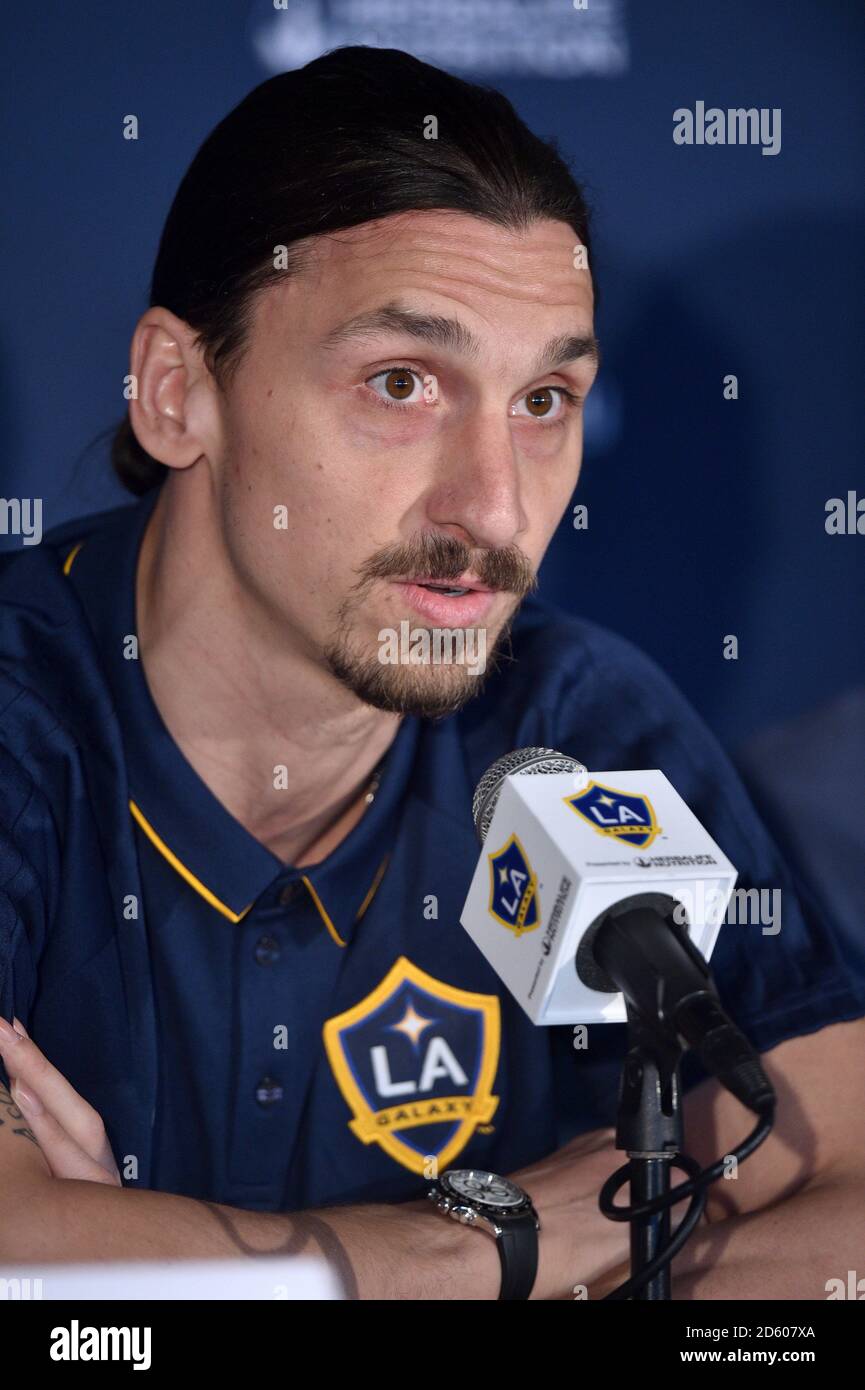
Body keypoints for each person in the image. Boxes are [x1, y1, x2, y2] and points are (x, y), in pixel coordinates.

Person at [1, 46, 863, 1301]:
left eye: (545, 398)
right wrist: (514, 1240)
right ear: (178, 394)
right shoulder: (28, 714)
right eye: (402, 383)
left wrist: (161, 1270)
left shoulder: (580, 720)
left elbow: (833, 1180)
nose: (495, 509)